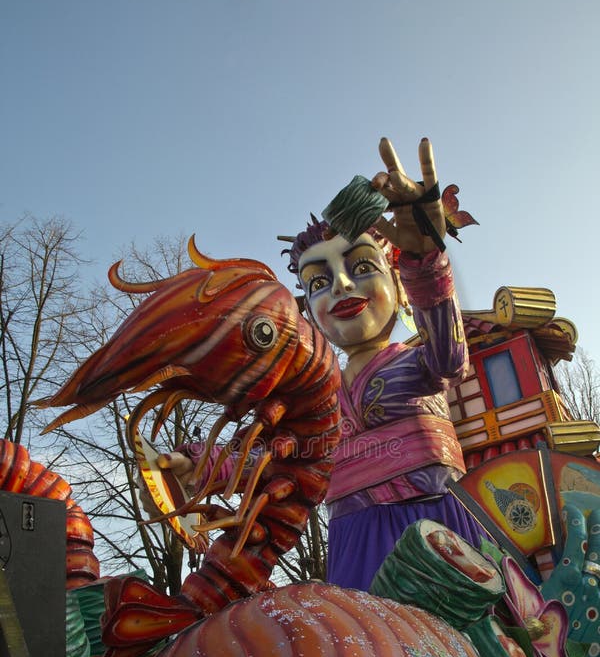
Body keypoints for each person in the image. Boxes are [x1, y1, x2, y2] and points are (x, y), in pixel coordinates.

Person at [142, 137, 486, 591]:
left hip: (435, 532)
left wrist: (424, 260)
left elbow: (450, 358)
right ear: (308, 309)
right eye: (319, 280)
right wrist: (198, 468)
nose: (342, 286)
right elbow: (270, 461)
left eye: (362, 267)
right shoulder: (313, 401)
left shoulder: (419, 363)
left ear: (400, 289)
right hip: (354, 547)